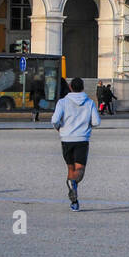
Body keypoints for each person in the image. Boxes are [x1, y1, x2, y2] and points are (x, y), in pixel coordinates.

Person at [51, 77, 100, 212]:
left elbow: (55, 120)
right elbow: (96, 122)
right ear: (83, 87)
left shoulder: (62, 102)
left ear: (71, 87)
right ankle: (73, 184)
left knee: (71, 169)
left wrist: (59, 128)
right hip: (81, 139)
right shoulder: (89, 103)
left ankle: (74, 201)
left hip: (66, 139)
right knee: (80, 170)